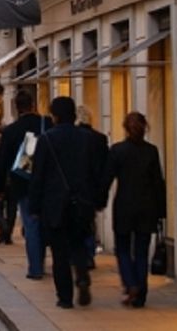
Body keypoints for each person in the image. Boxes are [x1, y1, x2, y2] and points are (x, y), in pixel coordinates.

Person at [27, 96, 106, 309]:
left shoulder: (47, 139)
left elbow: (38, 176)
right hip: (82, 203)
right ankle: (82, 276)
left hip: (55, 206)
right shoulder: (87, 139)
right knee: (79, 244)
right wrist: (98, 199)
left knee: (59, 253)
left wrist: (34, 206)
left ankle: (65, 297)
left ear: (56, 115)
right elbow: (97, 172)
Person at [101, 111, 166, 308]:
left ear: (125, 128)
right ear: (144, 128)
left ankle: (130, 283)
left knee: (122, 248)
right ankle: (140, 293)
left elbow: (106, 178)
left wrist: (99, 199)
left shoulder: (118, 151)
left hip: (124, 206)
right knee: (141, 251)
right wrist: (162, 211)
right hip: (147, 207)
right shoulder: (151, 151)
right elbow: (158, 184)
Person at [0, 89, 53, 277]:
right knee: (50, 224)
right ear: (33, 105)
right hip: (49, 183)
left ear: (16, 108)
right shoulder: (47, 124)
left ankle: (36, 268)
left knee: (31, 224)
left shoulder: (11, 131)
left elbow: (2, 162)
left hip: (24, 184)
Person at [77, 105, 109, 269]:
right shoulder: (100, 138)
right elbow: (105, 167)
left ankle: (81, 254)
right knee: (89, 221)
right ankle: (89, 253)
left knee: (76, 223)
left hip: (76, 189)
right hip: (93, 188)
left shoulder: (74, 138)